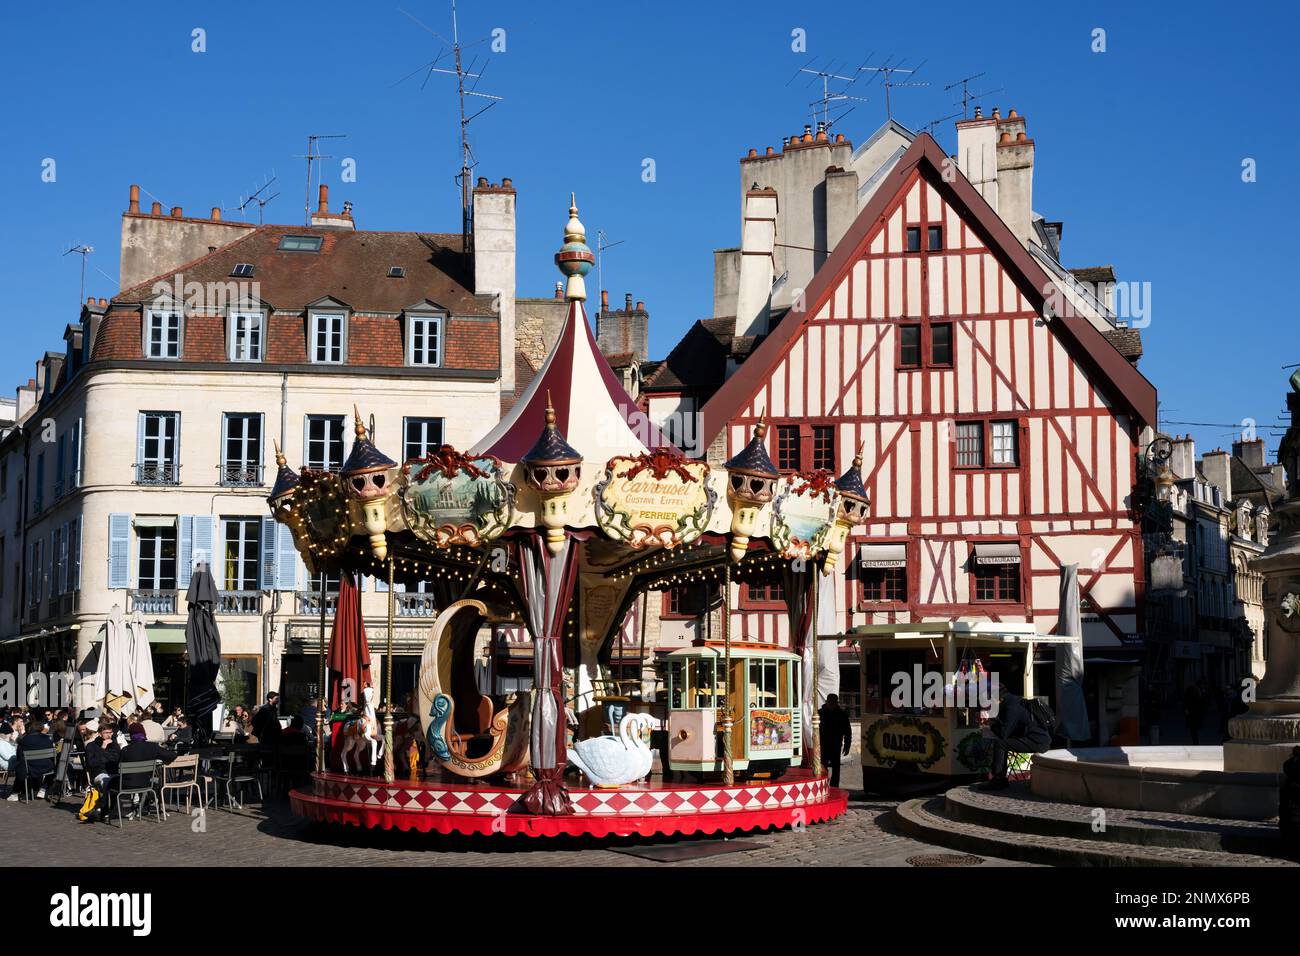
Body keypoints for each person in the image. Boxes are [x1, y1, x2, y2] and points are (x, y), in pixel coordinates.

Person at [983, 690, 1052, 789]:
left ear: (999, 700)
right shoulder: (1015, 702)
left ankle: (998, 780)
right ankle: (1000, 778)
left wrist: (992, 724)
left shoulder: (1012, 708)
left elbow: (1003, 734)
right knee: (1002, 744)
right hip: (1037, 739)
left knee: (1000, 744)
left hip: (1037, 741)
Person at [113, 723, 176, 817]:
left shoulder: (125, 750)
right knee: (156, 781)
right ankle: (146, 803)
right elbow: (172, 755)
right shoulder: (152, 747)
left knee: (110, 782)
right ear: (143, 733)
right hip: (146, 784)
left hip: (126, 785)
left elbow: (118, 768)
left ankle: (110, 811)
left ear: (130, 735)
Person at [9, 719, 55, 800]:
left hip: (30, 768)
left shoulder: (23, 740)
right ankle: (43, 789)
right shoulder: (48, 739)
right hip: (47, 767)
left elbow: (19, 756)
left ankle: (15, 793)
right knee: (56, 765)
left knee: (19, 765)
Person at [81, 725, 120, 822]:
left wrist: (104, 753)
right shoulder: (91, 746)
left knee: (117, 784)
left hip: (113, 773)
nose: (109, 735)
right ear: (99, 733)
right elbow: (91, 764)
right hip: (98, 773)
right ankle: (105, 812)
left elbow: (116, 760)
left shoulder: (114, 745)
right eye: (106, 733)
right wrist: (102, 749)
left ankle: (99, 809)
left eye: (110, 732)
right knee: (108, 784)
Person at [817, 694, 852, 788]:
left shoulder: (842, 715)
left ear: (837, 703)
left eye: (833, 702)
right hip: (823, 745)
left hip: (836, 745)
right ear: (826, 702)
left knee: (836, 768)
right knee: (822, 767)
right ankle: (822, 785)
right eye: (830, 702)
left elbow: (847, 732)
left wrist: (847, 746)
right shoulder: (820, 713)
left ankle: (834, 787)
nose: (831, 704)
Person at [1183, 681, 1206, 745]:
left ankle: (1195, 742)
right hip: (1196, 714)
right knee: (1194, 729)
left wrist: (1186, 710)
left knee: (1193, 730)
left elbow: (1185, 704)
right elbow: (1202, 705)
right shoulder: (1198, 695)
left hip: (1191, 714)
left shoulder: (1188, 695)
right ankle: (1196, 742)